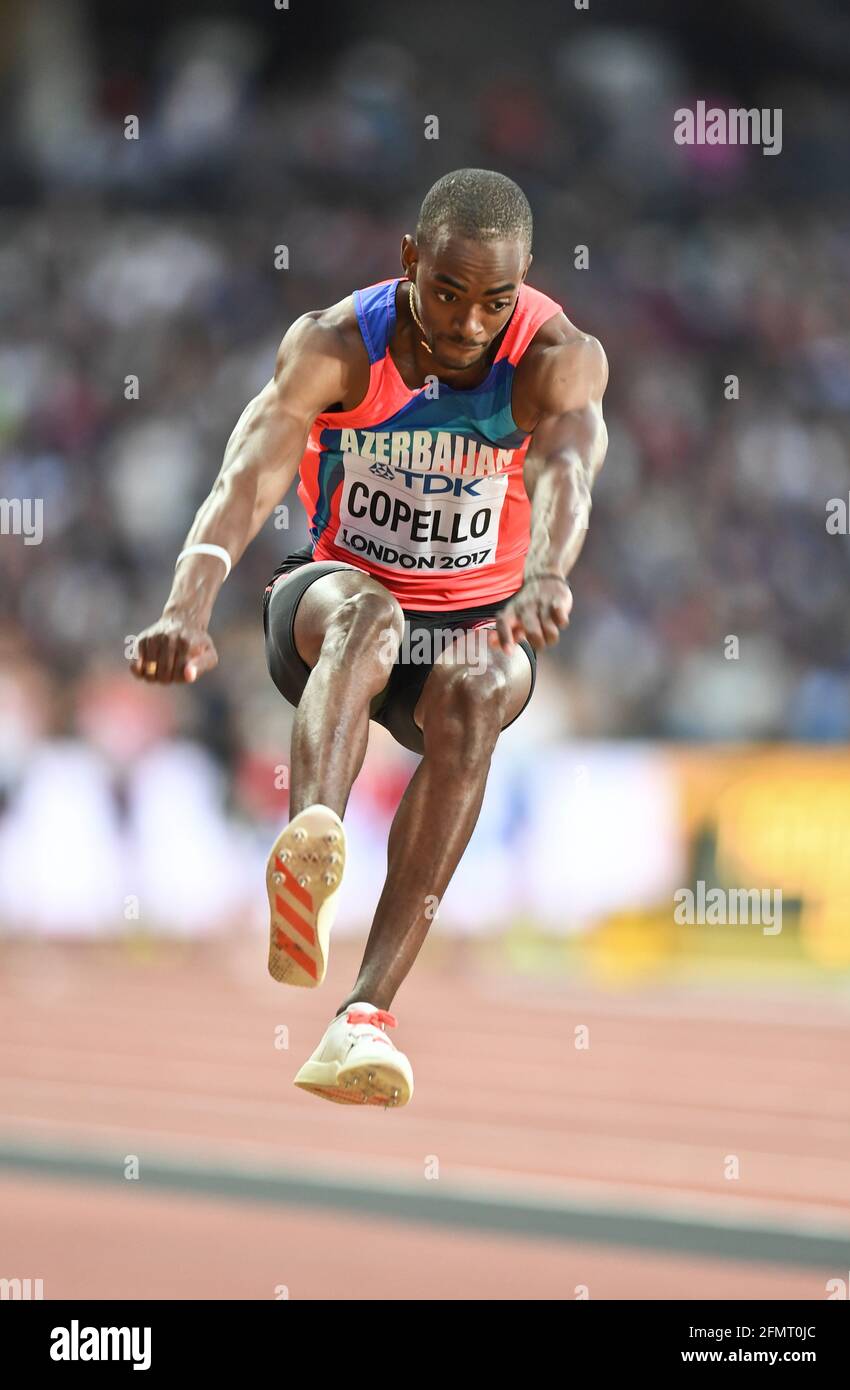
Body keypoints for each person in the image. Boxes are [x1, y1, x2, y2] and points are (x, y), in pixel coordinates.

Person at [130, 168, 609, 1109]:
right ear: (409, 261)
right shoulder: (340, 344)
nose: (469, 324)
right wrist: (186, 605)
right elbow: (248, 474)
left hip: (469, 627)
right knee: (370, 612)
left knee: (481, 681)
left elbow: (568, 469)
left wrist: (549, 569)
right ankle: (312, 838)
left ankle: (363, 1018)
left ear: (526, 286)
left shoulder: (555, 355)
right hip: (333, 607)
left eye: (494, 301)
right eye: (446, 292)